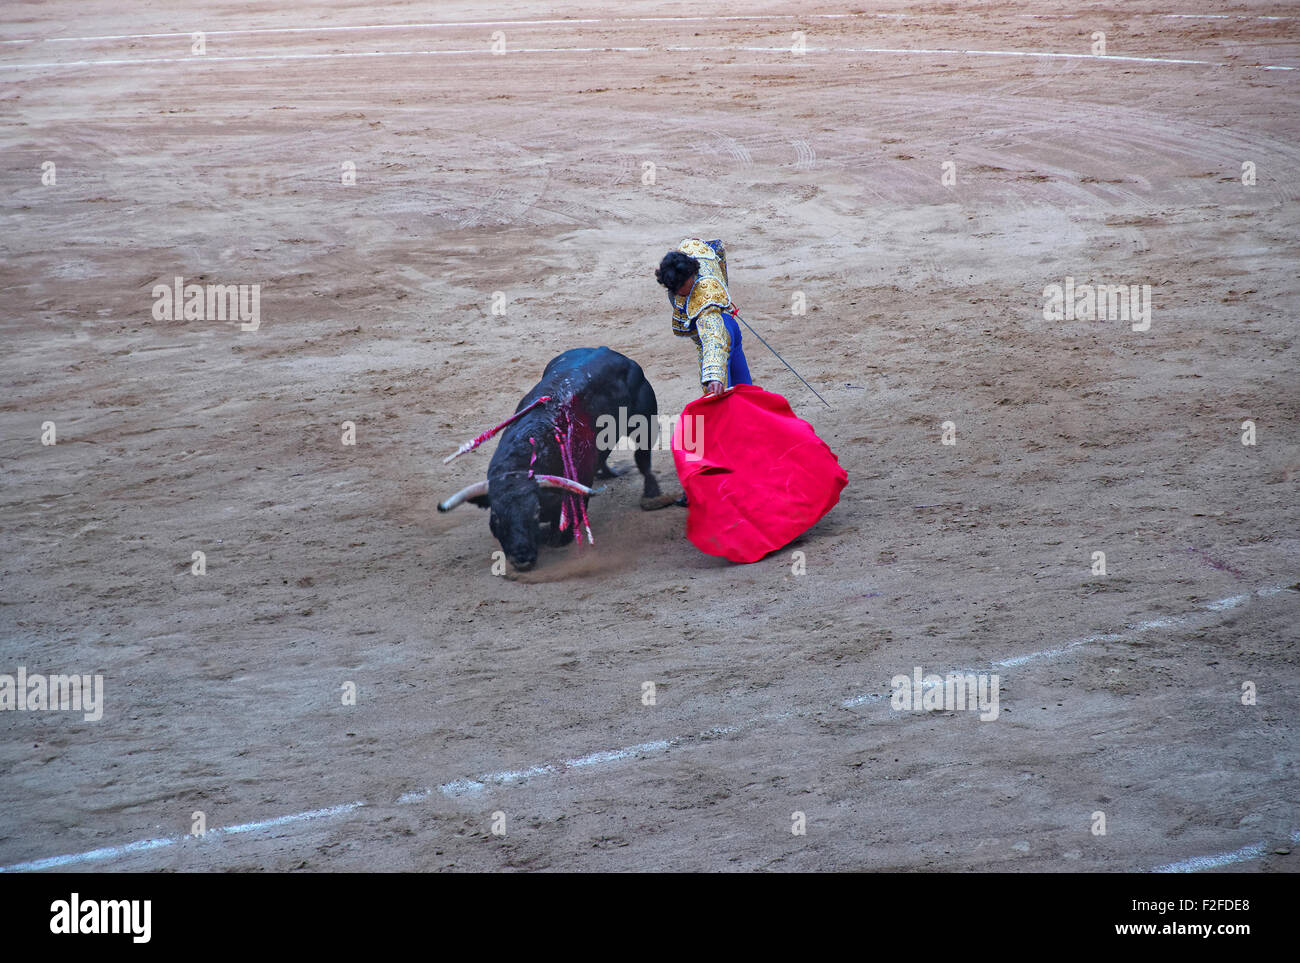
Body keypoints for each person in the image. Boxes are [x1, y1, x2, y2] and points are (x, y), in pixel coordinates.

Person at [655, 238, 753, 397]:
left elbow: (713, 336)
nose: (679, 290)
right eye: (675, 287)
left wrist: (714, 375)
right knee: (748, 396)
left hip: (721, 337)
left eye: (683, 285)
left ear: (692, 274)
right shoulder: (689, 249)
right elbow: (714, 248)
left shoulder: (704, 297)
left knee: (721, 407)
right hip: (729, 323)